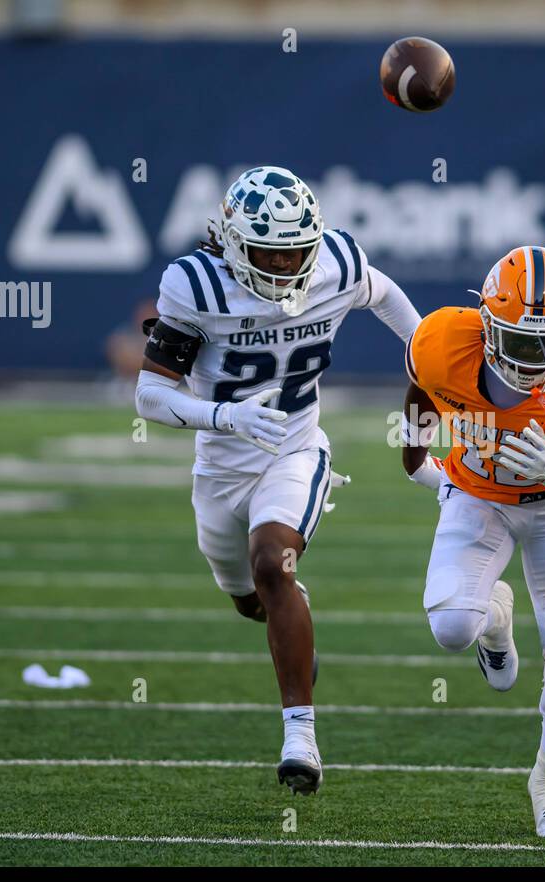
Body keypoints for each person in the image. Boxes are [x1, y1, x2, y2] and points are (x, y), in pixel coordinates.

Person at [134, 166, 422, 794]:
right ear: (236, 243)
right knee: (249, 599)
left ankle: (301, 737)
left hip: (295, 449)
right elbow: (150, 395)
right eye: (272, 250)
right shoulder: (196, 286)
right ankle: (288, 623)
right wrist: (223, 414)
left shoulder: (336, 261)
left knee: (273, 564)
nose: (289, 264)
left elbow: (383, 293)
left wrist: (426, 355)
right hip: (221, 462)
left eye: (299, 248)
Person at [398, 246, 545, 838]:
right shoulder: (442, 342)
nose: (536, 359)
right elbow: (423, 389)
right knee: (452, 628)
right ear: (487, 324)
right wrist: (417, 462)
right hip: (477, 497)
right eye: (523, 343)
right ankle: (495, 621)